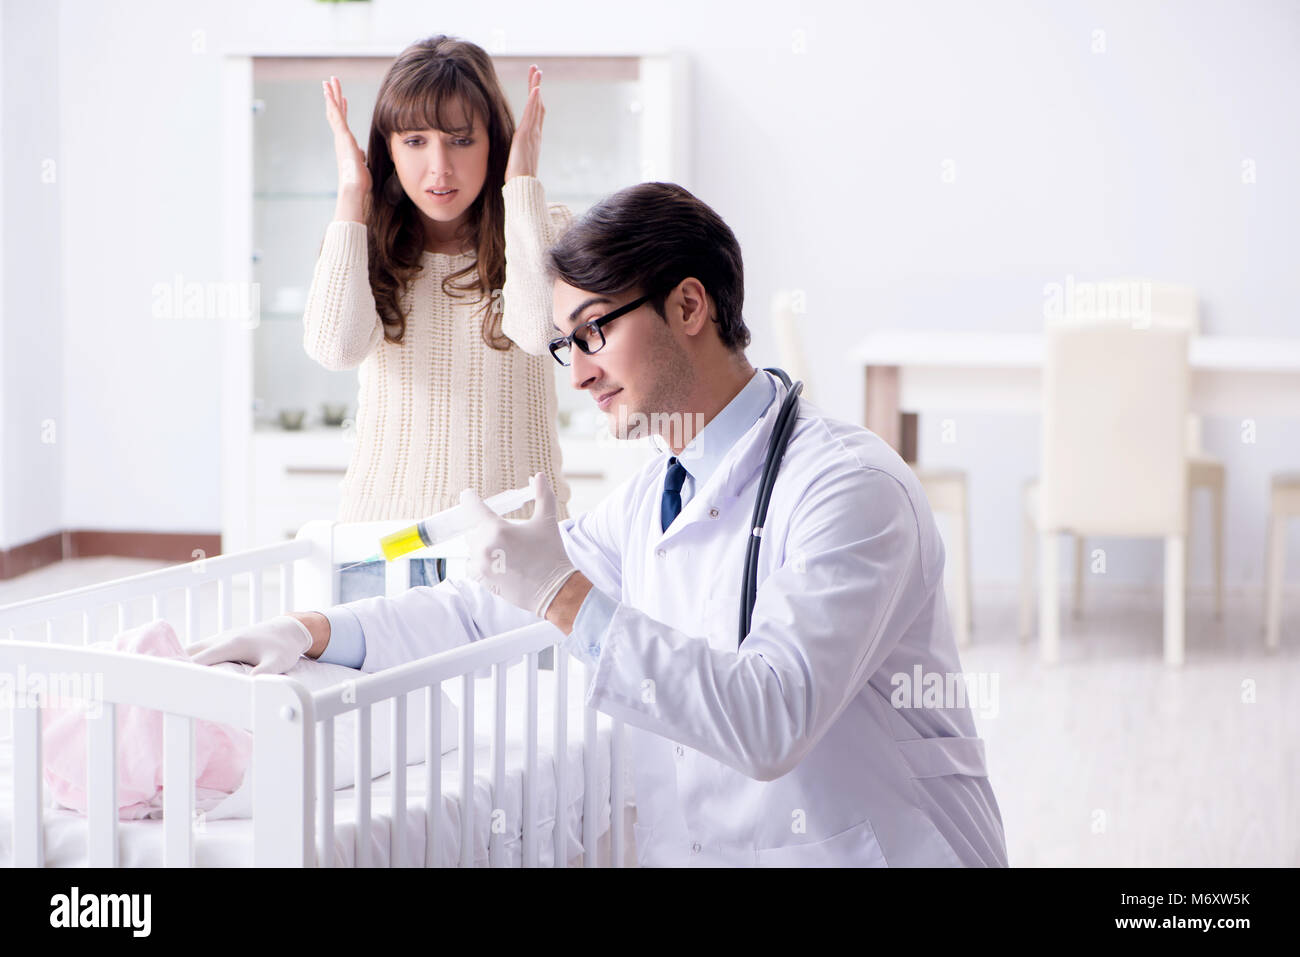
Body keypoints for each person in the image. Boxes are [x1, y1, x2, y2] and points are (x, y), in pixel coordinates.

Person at [195, 182, 1009, 867]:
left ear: (689, 303)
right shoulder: (658, 489)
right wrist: (310, 630)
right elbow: (479, 607)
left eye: (595, 331)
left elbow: (772, 717)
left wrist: (566, 594)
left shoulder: (846, 490)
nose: (578, 371)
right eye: (565, 345)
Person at [303, 35, 572, 602]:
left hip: (511, 546)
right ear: (389, 148)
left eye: (461, 140)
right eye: (416, 141)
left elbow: (538, 330)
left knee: (516, 696)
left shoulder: (542, 229)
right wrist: (353, 195)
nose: (439, 167)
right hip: (385, 544)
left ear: (494, 142)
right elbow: (335, 348)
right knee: (375, 693)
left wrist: (520, 183)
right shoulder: (363, 242)